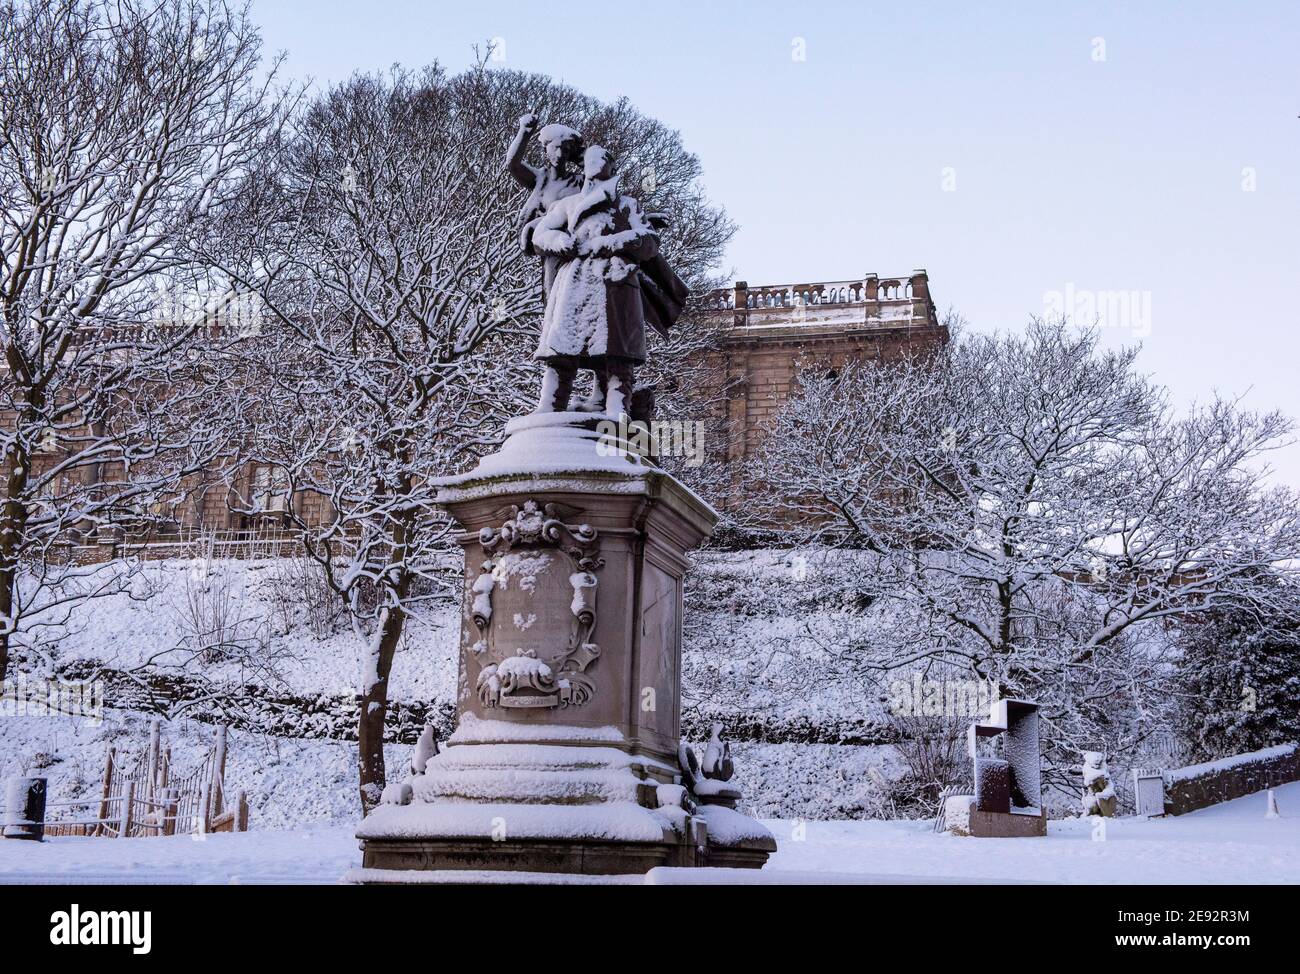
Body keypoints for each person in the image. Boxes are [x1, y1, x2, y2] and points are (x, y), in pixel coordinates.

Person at [530, 145, 662, 416]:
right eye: (591, 158)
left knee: (616, 355)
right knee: (561, 351)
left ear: (612, 167)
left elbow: (649, 241)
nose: (596, 162)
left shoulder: (627, 205)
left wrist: (610, 243)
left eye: (603, 158)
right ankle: (549, 409)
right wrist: (560, 241)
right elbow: (539, 234)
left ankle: (616, 412)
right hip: (575, 282)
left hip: (614, 283)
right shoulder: (566, 205)